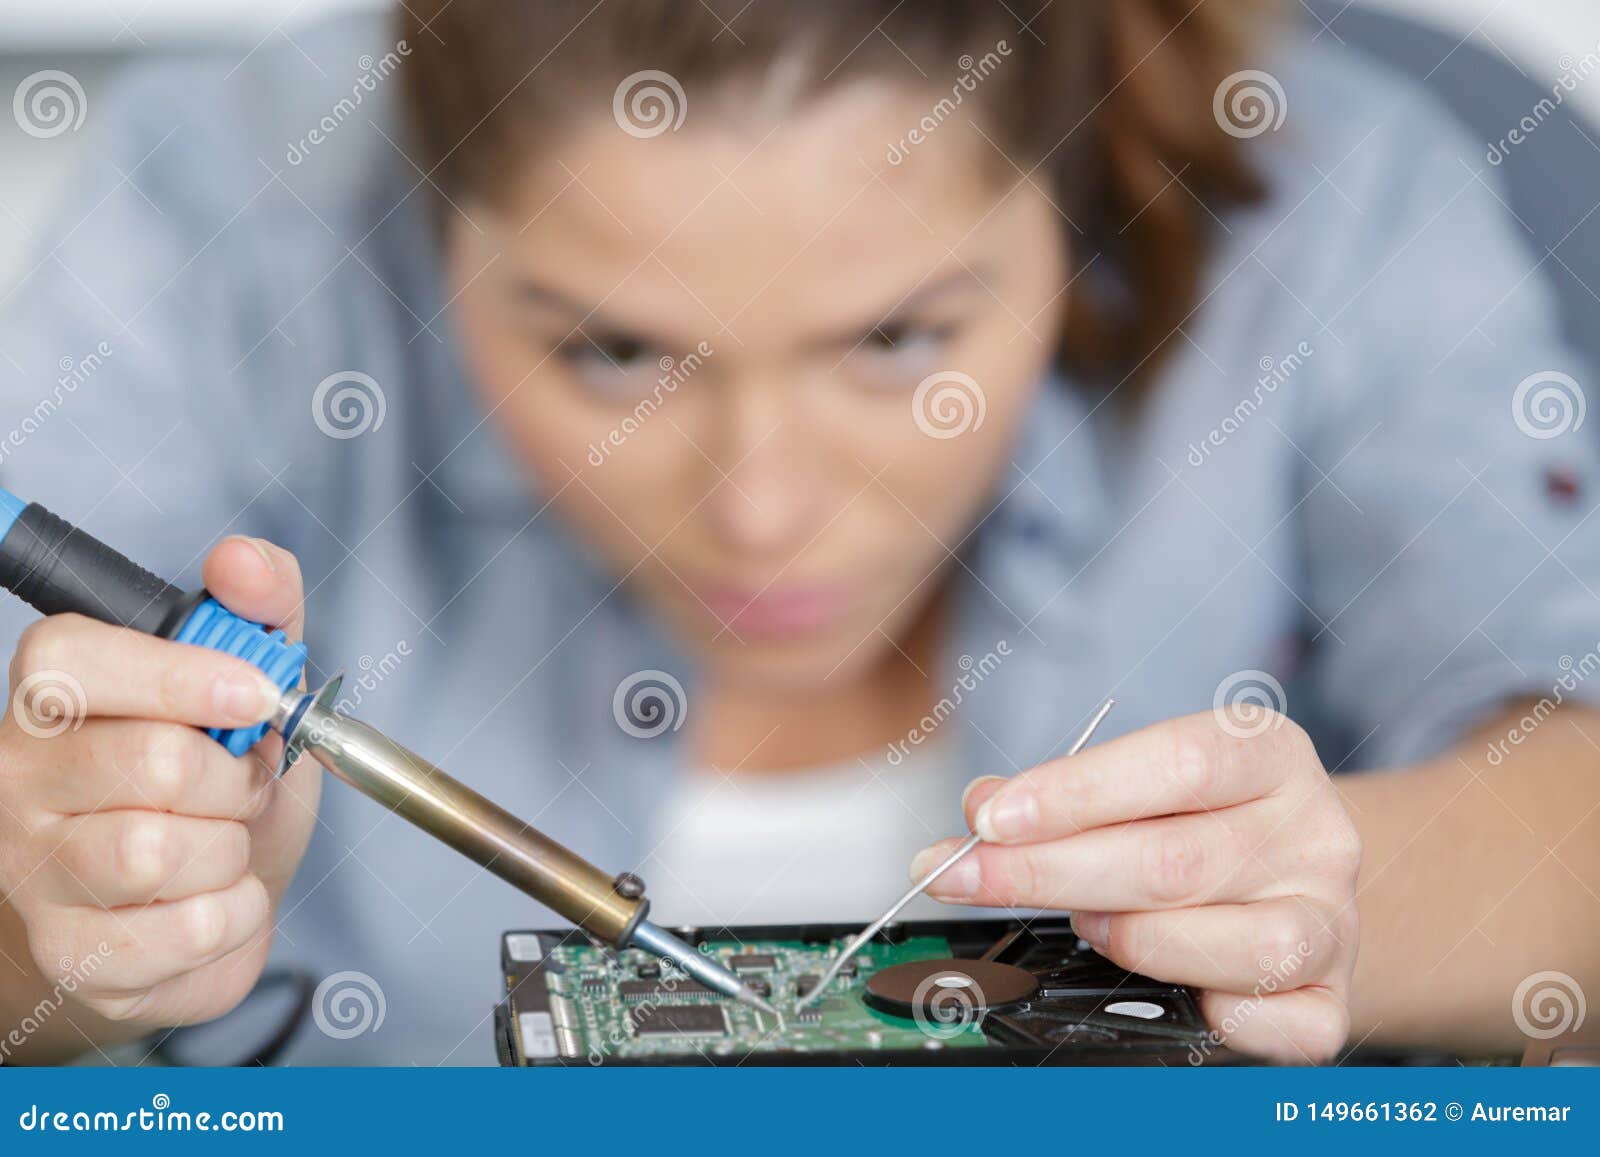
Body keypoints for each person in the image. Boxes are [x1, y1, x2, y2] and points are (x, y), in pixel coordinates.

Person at [0, 0, 1595, 1066]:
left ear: (1064, 196)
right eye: (611, 352)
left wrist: (1327, 898)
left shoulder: (1329, 190)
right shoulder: (231, 205)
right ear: (439, 220)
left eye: (899, 338)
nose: (762, 511)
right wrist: (66, 918)